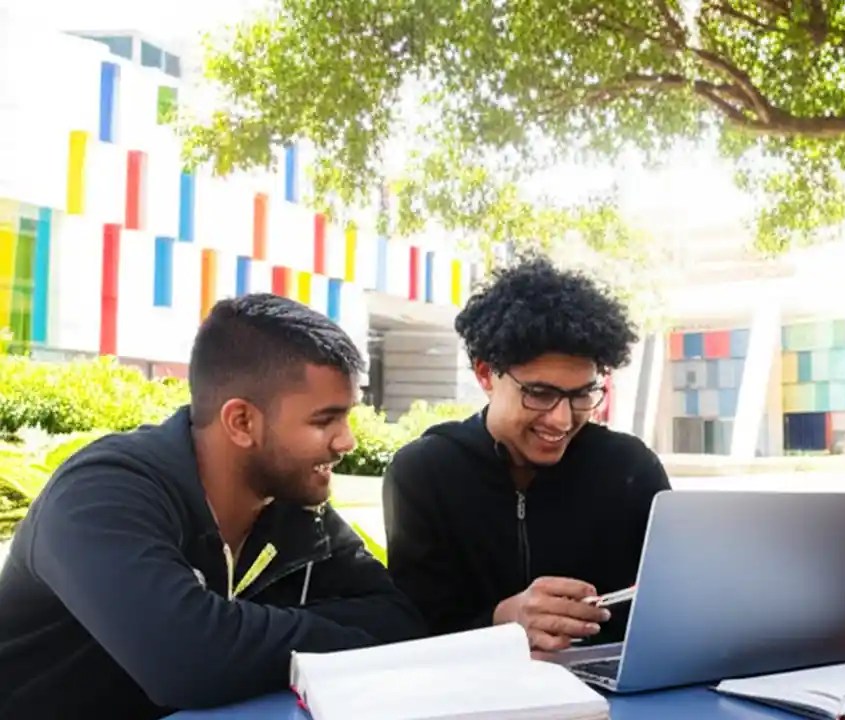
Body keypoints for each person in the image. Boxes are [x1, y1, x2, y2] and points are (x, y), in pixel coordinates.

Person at [0, 294, 425, 719]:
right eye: (323, 421)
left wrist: (228, 628)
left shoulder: (292, 510)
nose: (346, 440)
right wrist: (237, 636)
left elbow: (398, 621)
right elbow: (184, 660)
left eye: (347, 416)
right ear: (241, 422)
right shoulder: (101, 496)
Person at [383, 255, 671, 651]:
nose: (562, 420)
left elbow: (668, 607)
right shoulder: (423, 473)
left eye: (581, 394)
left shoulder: (630, 468)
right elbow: (413, 629)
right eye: (539, 393)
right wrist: (505, 620)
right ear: (486, 374)